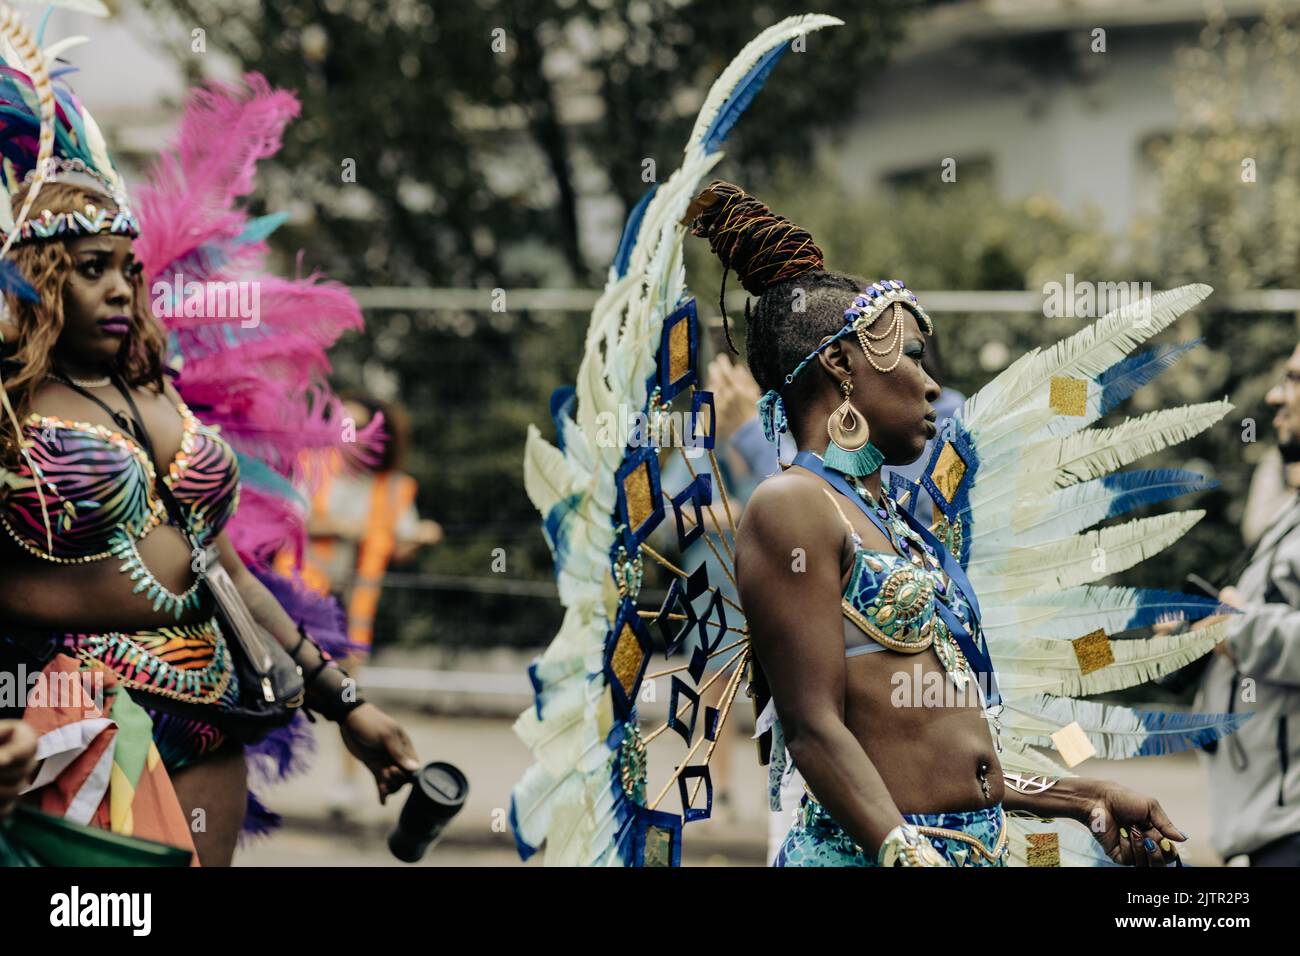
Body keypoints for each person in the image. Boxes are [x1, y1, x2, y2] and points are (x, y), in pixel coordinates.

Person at [692, 181, 1188, 867]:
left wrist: (1084, 798)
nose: (931, 384)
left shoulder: (902, 528)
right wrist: (903, 852)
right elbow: (812, 728)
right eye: (912, 354)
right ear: (840, 363)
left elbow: (950, 765)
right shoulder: (793, 505)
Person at [0, 59, 419, 866]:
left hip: (206, 708)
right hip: (62, 718)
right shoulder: (8, 410)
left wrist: (345, 699)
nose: (122, 289)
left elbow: (222, 563)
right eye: (92, 269)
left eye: (129, 269)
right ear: (41, 281)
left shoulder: (156, 392)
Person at [277, 394, 441, 812]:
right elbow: (291, 516)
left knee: (346, 697)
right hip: (299, 603)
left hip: (352, 612)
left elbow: (398, 545)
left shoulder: (393, 487)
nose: (345, 431)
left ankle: (347, 783)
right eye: (342, 423)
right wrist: (342, 528)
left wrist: (421, 535)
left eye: (355, 425)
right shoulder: (314, 467)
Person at [1181, 343, 1300, 865]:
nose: (1276, 396)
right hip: (1265, 828)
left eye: (1295, 380)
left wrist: (1238, 627)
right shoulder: (1289, 513)